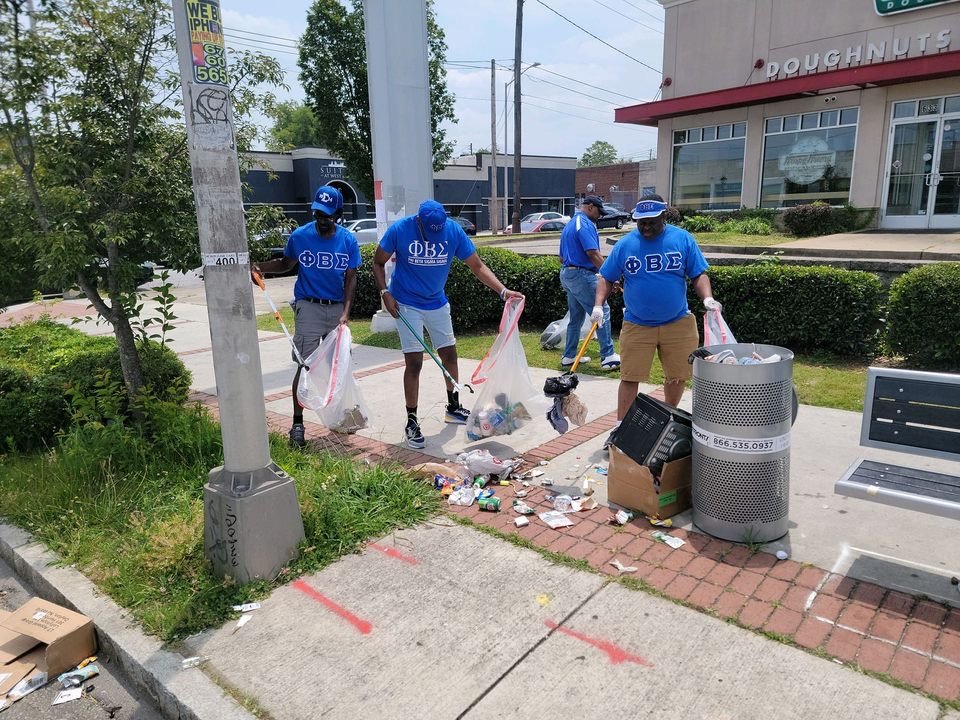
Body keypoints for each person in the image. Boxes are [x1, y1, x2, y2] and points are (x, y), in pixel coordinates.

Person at [373, 200, 522, 449]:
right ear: (419, 221)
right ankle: (411, 420)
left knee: (449, 354)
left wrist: (503, 291)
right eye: (430, 230)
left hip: (437, 302)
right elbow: (378, 262)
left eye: (438, 229)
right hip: (406, 302)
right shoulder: (400, 230)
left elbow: (477, 265)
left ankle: (453, 407)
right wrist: (384, 293)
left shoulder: (452, 230)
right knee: (415, 362)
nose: (435, 235)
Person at [592, 194, 721, 442]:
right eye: (642, 223)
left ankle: (667, 420)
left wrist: (707, 299)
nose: (646, 227)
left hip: (678, 322)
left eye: (652, 222)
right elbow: (606, 277)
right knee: (629, 376)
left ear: (664, 216)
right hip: (637, 323)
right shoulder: (625, 244)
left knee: (677, 375)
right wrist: (598, 304)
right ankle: (621, 429)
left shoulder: (682, 239)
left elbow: (698, 274)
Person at [252, 185, 361, 448]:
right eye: (318, 214)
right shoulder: (300, 236)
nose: (322, 220)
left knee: (339, 367)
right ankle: (297, 425)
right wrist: (260, 268)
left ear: (337, 214)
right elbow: (287, 263)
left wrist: (345, 313)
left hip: (336, 309)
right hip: (308, 307)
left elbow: (351, 278)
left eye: (327, 215)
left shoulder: (347, 240)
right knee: (305, 366)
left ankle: (341, 415)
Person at [558, 194, 620, 370]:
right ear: (590, 207)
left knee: (576, 317)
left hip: (568, 274)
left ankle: (568, 356)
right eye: (599, 212)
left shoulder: (570, 224)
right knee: (602, 310)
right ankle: (608, 356)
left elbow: (562, 257)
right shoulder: (584, 224)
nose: (600, 216)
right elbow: (593, 253)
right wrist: (610, 276)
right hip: (581, 274)